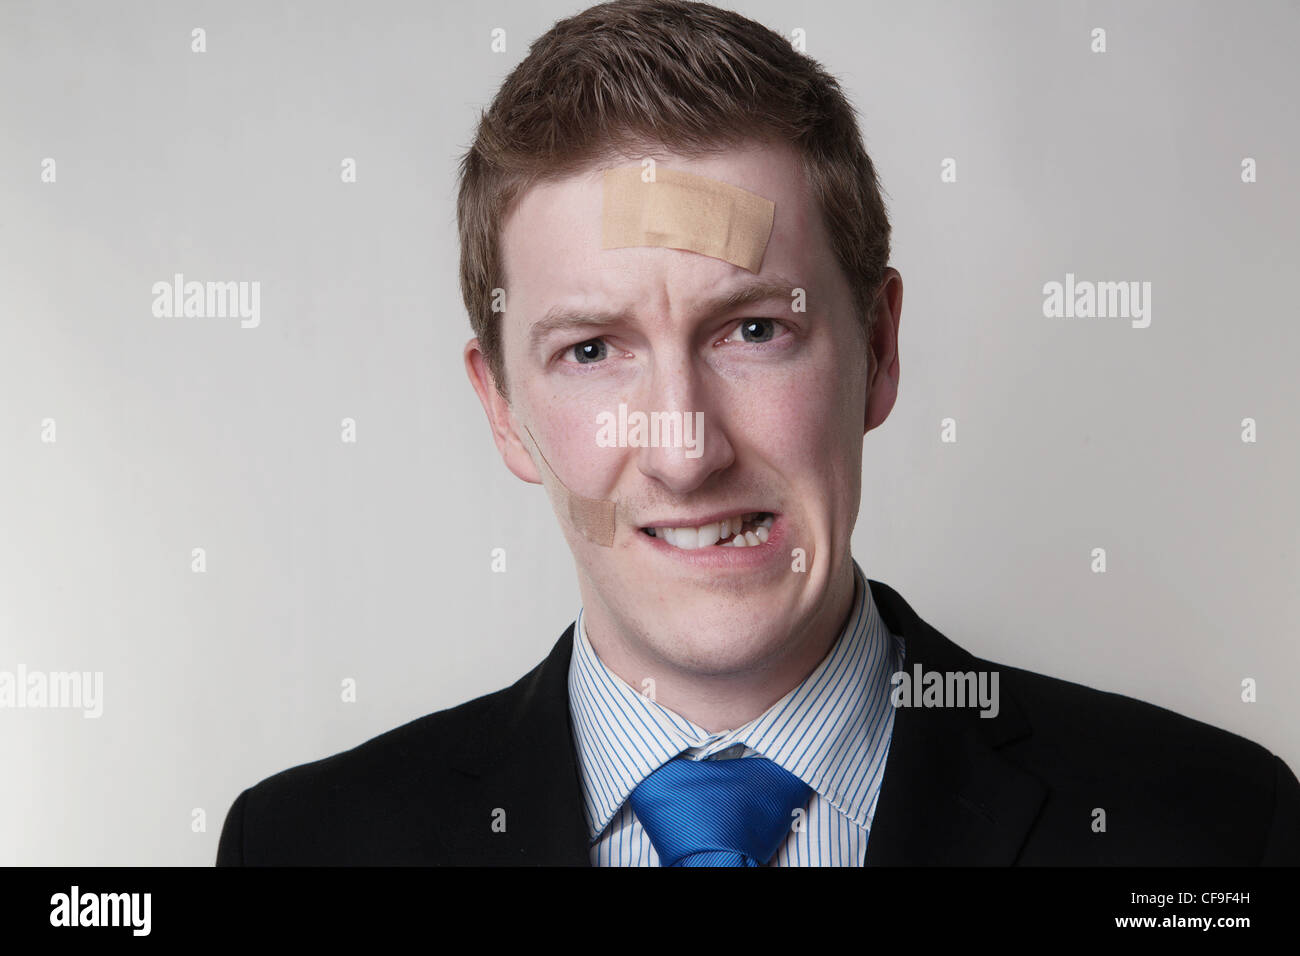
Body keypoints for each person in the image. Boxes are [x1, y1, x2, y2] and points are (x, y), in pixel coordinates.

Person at [216, 0, 1300, 866]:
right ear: (502, 406)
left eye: (751, 328)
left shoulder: (1211, 829)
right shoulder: (302, 847)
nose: (686, 448)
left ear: (876, 348)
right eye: (592, 350)